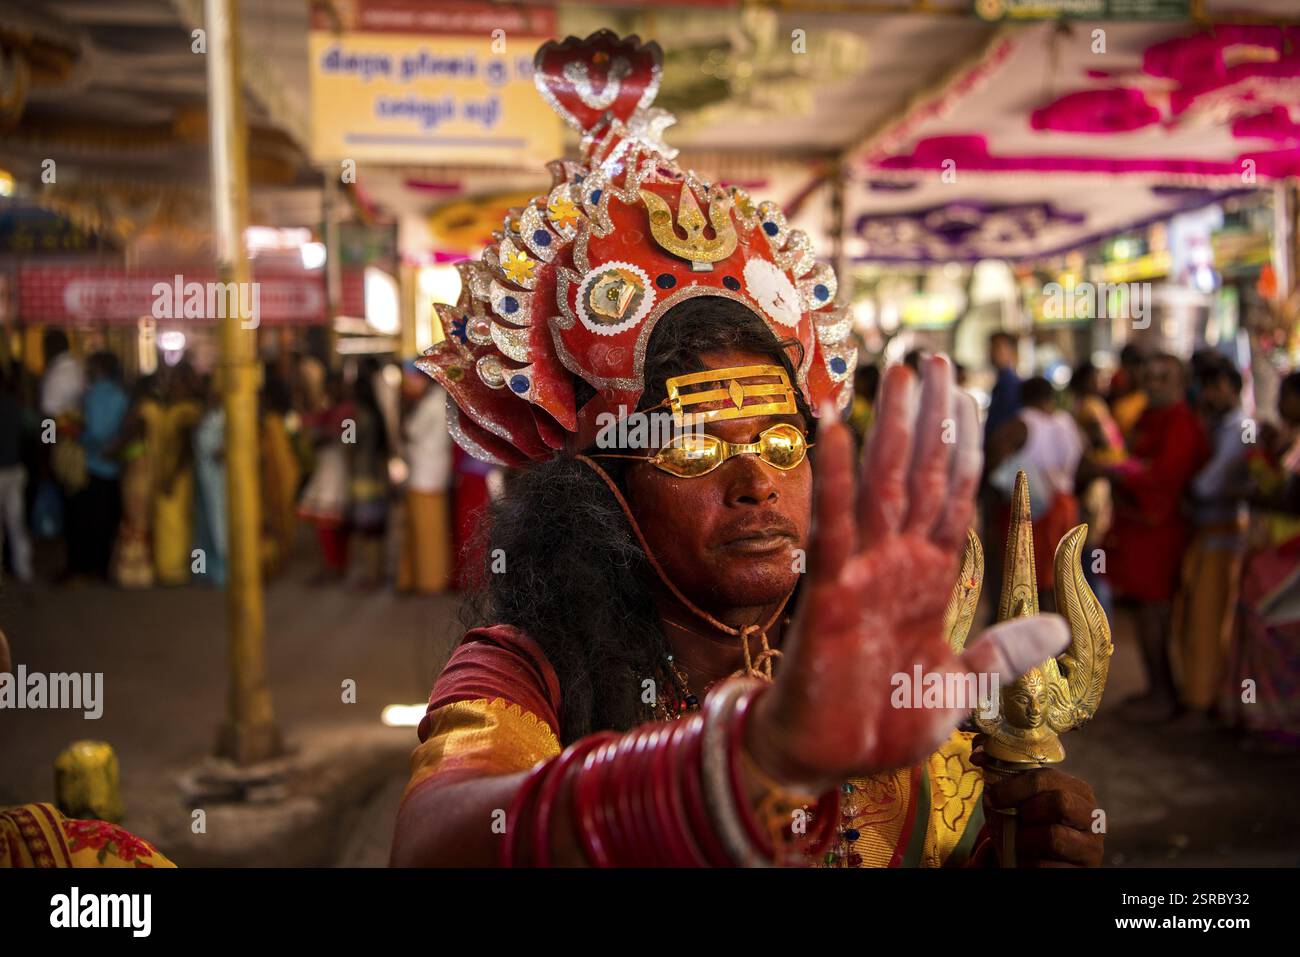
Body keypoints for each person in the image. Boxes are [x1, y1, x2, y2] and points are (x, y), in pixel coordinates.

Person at [389, 32, 1099, 869]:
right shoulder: (527, 667)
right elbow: (438, 842)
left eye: (779, 441)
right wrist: (729, 774)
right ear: (601, 492)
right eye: (693, 447)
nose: (756, 482)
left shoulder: (864, 647)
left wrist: (1012, 849)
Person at [1105, 353, 1210, 722]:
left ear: (1180, 382)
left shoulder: (1179, 422)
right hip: (1140, 529)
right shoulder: (1149, 418)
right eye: (1148, 375)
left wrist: (1124, 475)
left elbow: (1165, 477)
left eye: (1163, 377)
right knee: (1145, 614)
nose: (1154, 383)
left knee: (1155, 613)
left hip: (1159, 531)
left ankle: (1164, 695)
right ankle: (1155, 690)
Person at [1220, 371, 1300, 745]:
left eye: (1287, 395)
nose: (1281, 403)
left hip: (1287, 554)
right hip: (1272, 549)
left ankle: (1277, 718)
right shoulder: (1283, 440)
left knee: (1269, 627)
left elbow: (1291, 500)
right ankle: (1262, 716)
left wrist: (1250, 494)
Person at [1171, 361, 1249, 724]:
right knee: (1197, 619)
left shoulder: (1240, 428)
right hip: (1208, 535)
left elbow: (1209, 484)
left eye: (1215, 387)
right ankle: (1198, 697)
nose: (1209, 395)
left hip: (1221, 535)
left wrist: (1186, 489)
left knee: (1207, 623)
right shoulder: (1219, 424)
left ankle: (1202, 704)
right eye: (1206, 387)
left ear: (1233, 387)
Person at [986, 376, 1084, 604]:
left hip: (1033, 513)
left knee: (1027, 579)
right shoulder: (1066, 423)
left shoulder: (1022, 423)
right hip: (1065, 506)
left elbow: (993, 458)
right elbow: (1083, 463)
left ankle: (1034, 631)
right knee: (1062, 577)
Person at [65, 352, 129, 581]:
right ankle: (105, 567)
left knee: (88, 520)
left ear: (98, 369)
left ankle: (87, 566)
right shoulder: (121, 395)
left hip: (92, 465)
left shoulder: (91, 396)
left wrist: (75, 435)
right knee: (108, 520)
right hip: (114, 466)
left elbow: (91, 432)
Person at [396, 368, 452, 595]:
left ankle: (428, 580)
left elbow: (411, 430)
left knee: (424, 532)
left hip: (423, 475)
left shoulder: (430, 404)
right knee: (434, 531)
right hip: (436, 472)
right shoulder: (443, 400)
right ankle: (432, 577)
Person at [298, 371, 354, 583]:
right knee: (330, 520)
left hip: (336, 468)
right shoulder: (333, 409)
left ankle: (334, 566)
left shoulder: (346, 410)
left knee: (328, 519)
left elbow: (349, 440)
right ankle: (336, 565)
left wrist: (322, 437)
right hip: (331, 467)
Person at [151, 361, 204, 585]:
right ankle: (176, 567)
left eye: (175, 381)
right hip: (171, 468)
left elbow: (185, 446)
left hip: (177, 473)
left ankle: (174, 569)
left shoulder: (186, 410)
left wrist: (173, 474)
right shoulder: (180, 407)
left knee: (172, 519)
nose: (170, 385)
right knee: (173, 519)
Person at [111, 374, 161, 588]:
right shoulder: (158, 410)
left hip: (137, 469)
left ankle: (133, 572)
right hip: (151, 469)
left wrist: (111, 452)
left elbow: (130, 438)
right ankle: (144, 569)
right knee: (144, 520)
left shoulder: (140, 412)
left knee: (134, 520)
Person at [347, 368, 390, 589]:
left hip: (363, 477)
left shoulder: (358, 417)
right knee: (377, 529)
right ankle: (378, 571)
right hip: (378, 476)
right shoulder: (377, 414)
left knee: (367, 531)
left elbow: (350, 443)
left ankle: (370, 575)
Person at [259, 368, 301, 578]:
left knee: (276, 517)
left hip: (276, 475)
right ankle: (283, 556)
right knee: (284, 515)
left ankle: (277, 561)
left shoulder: (269, 422)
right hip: (287, 471)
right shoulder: (287, 417)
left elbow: (265, 451)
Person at [192, 379, 228, 588]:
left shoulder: (225, 416)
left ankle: (222, 573)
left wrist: (221, 451)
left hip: (217, 477)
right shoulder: (205, 415)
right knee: (203, 526)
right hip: (203, 476)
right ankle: (201, 570)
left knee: (219, 525)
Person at [0, 363, 34, 584]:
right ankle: (23, 568)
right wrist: (49, 443)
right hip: (15, 470)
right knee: (16, 521)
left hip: (10, 470)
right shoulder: (16, 406)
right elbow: (43, 423)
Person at [983, 331, 1021, 444]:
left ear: (1011, 352)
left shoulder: (1010, 383)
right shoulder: (1001, 381)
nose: (991, 352)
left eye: (997, 347)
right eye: (990, 348)